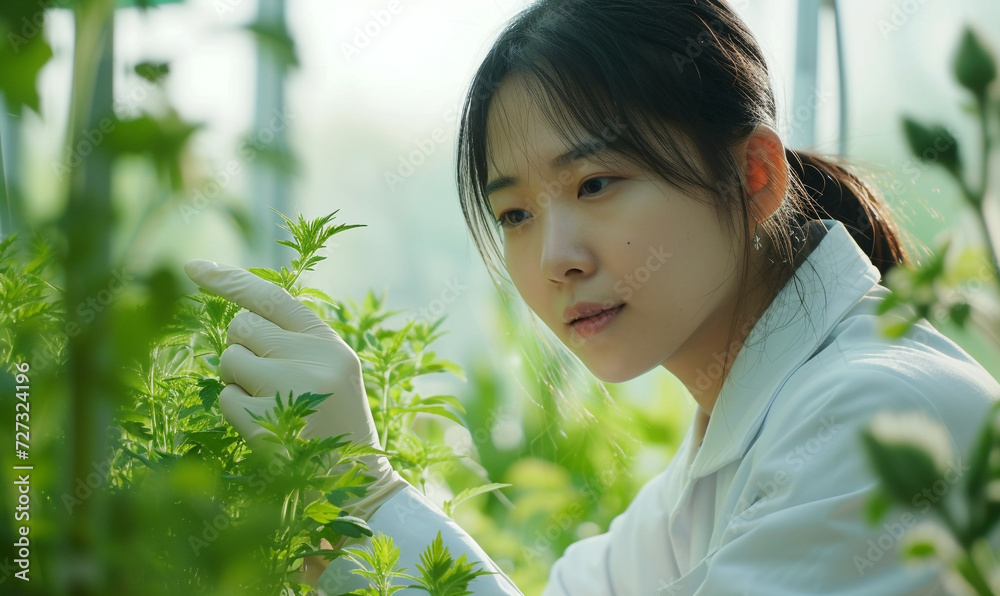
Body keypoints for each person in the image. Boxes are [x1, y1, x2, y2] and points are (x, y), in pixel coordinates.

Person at [183, 0, 1000, 594]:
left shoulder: (876, 421)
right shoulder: (712, 469)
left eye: (597, 182)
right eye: (515, 214)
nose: (556, 258)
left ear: (753, 176)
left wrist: (368, 495)